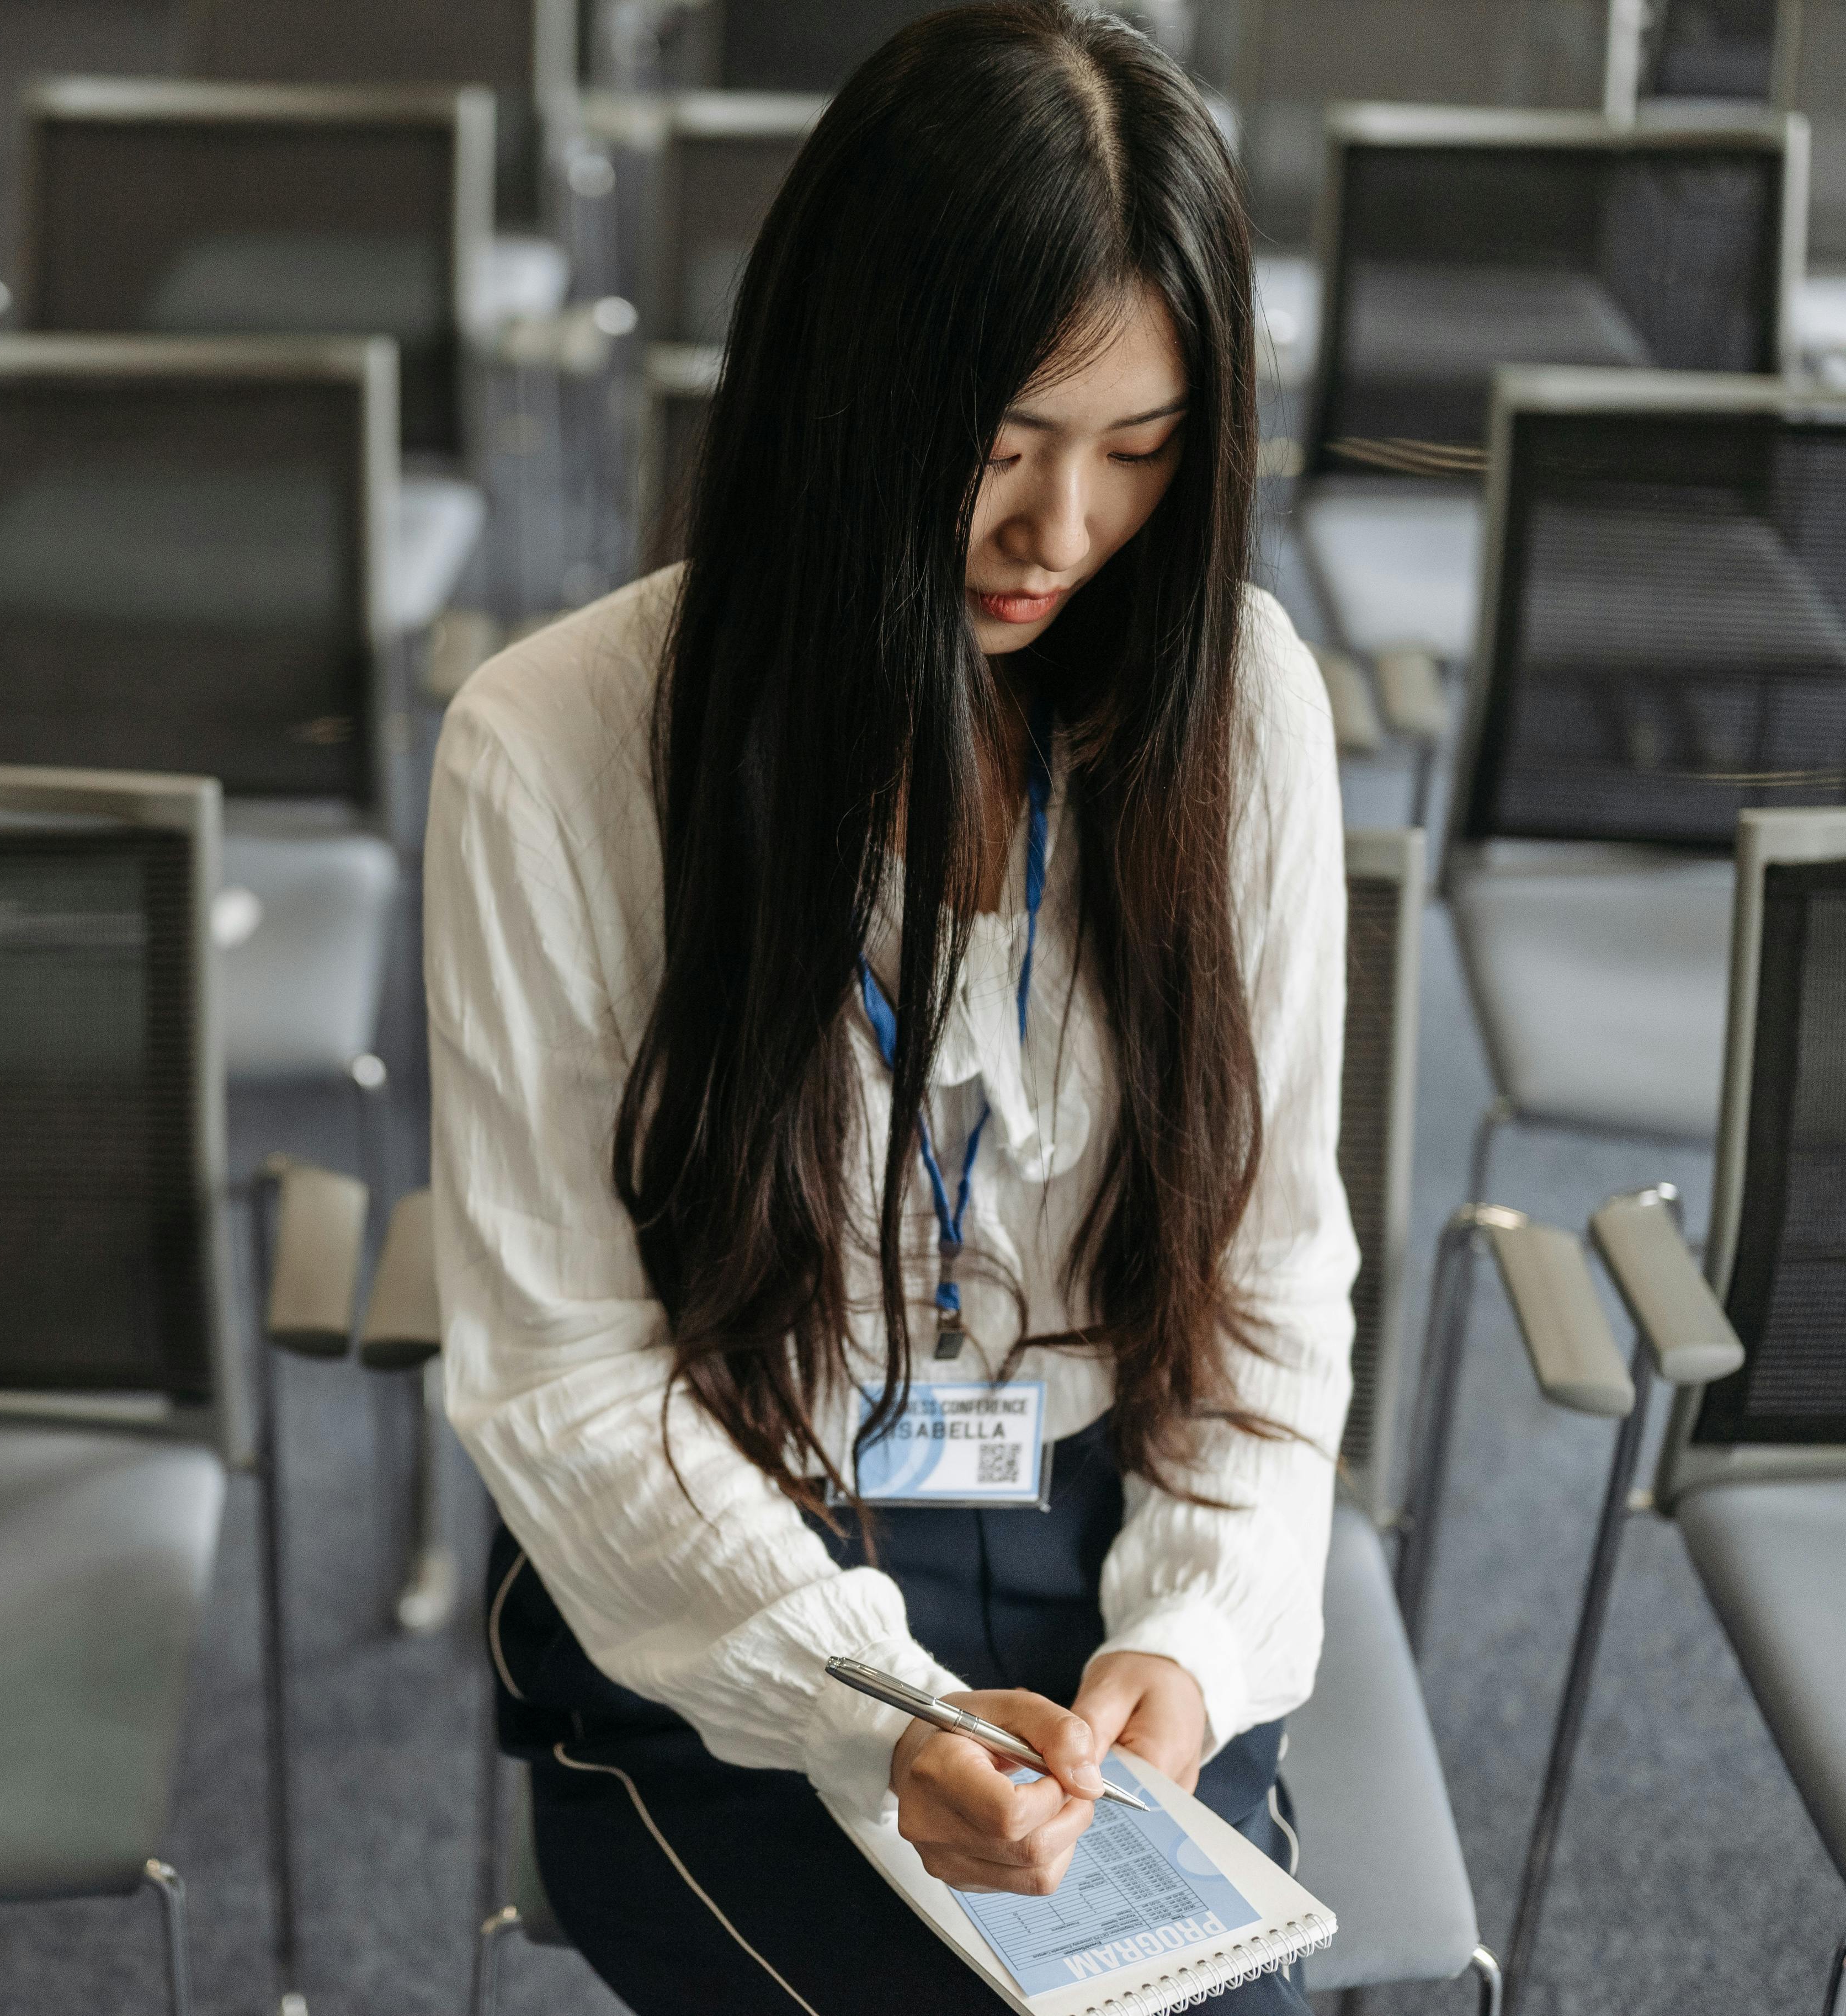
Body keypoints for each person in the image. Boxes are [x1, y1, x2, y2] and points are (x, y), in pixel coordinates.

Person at [423, 6, 1352, 2012]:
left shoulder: (1239, 704)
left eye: (1139, 450)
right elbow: (568, 1374)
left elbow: (1270, 1293)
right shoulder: (558, 744)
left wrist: (1182, 1663)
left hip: (1109, 1554)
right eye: (1001, 444)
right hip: (718, 1580)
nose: (1061, 533)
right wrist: (881, 1718)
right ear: (843, 399)